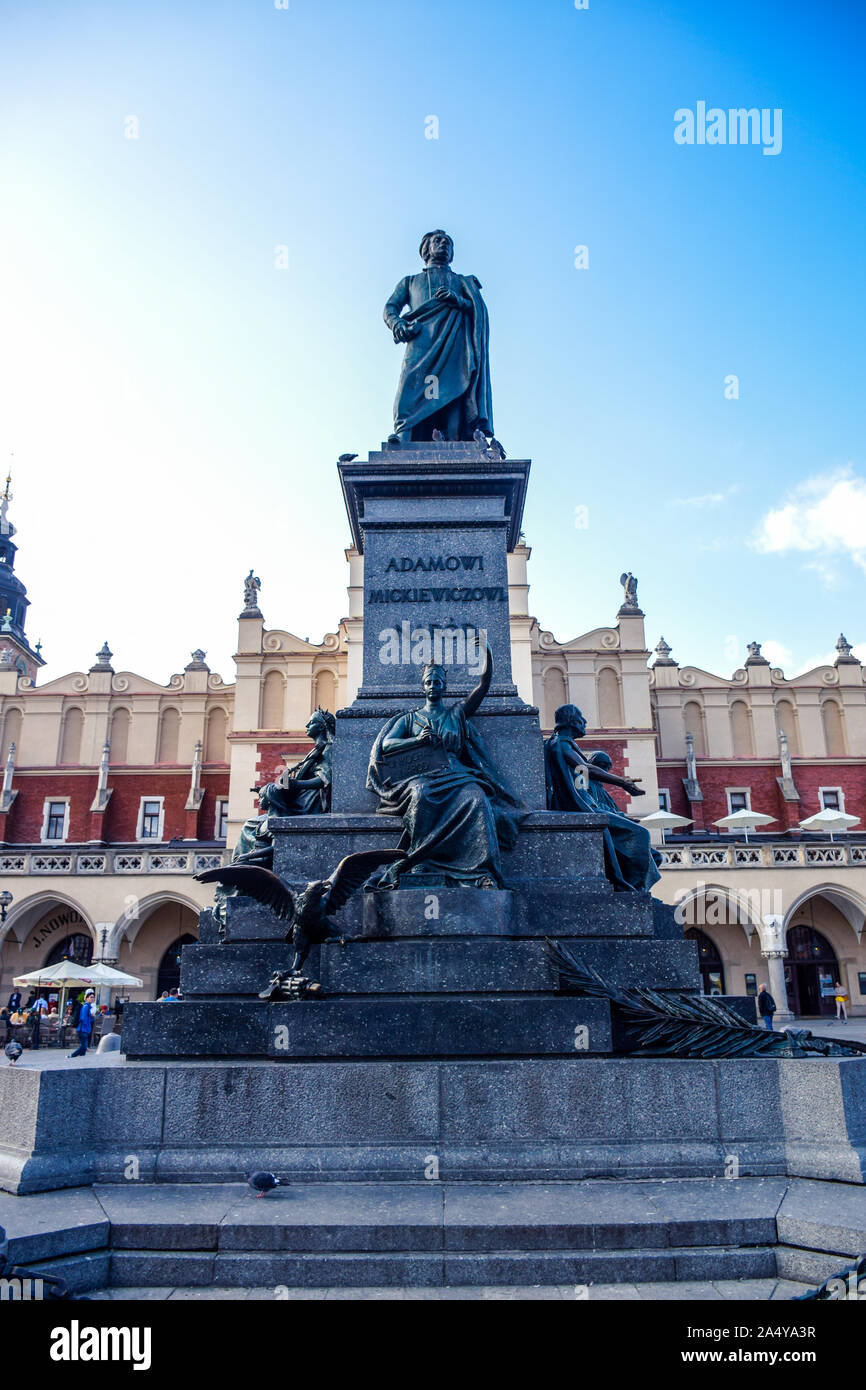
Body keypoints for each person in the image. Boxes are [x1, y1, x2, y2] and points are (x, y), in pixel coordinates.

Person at [367, 646, 523, 888]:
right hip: (421, 774)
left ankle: (479, 871)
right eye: (429, 682)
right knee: (421, 795)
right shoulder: (410, 719)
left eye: (438, 681)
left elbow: (483, 685)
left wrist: (488, 654)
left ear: (444, 685)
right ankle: (420, 860)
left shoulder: (457, 712)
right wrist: (416, 740)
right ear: (423, 686)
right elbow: (387, 745)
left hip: (455, 772)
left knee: (476, 798)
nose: (433, 686)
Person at [383, 230, 494, 443]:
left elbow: (478, 310)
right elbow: (390, 307)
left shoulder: (462, 282)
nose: (443, 244)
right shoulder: (410, 282)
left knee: (453, 388)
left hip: (453, 344)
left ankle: (454, 441)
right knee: (410, 386)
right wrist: (397, 324)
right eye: (437, 241)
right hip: (421, 343)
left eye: (447, 242)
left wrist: (457, 300)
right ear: (426, 249)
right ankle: (402, 436)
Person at [544, 705, 662, 893]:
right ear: (571, 721)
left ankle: (635, 887)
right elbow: (584, 769)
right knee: (640, 835)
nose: (585, 722)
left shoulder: (564, 744)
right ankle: (633, 888)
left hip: (586, 805)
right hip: (580, 809)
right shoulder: (560, 743)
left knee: (647, 847)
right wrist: (623, 782)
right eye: (581, 718)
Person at [68, 990, 95, 1059]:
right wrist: (87, 1026)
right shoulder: (86, 1007)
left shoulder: (88, 1007)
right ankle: (72, 1056)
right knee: (84, 1046)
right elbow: (83, 1018)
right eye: (91, 997)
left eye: (93, 997)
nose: (92, 999)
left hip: (84, 1029)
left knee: (84, 1046)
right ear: (86, 998)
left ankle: (81, 1058)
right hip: (82, 1029)